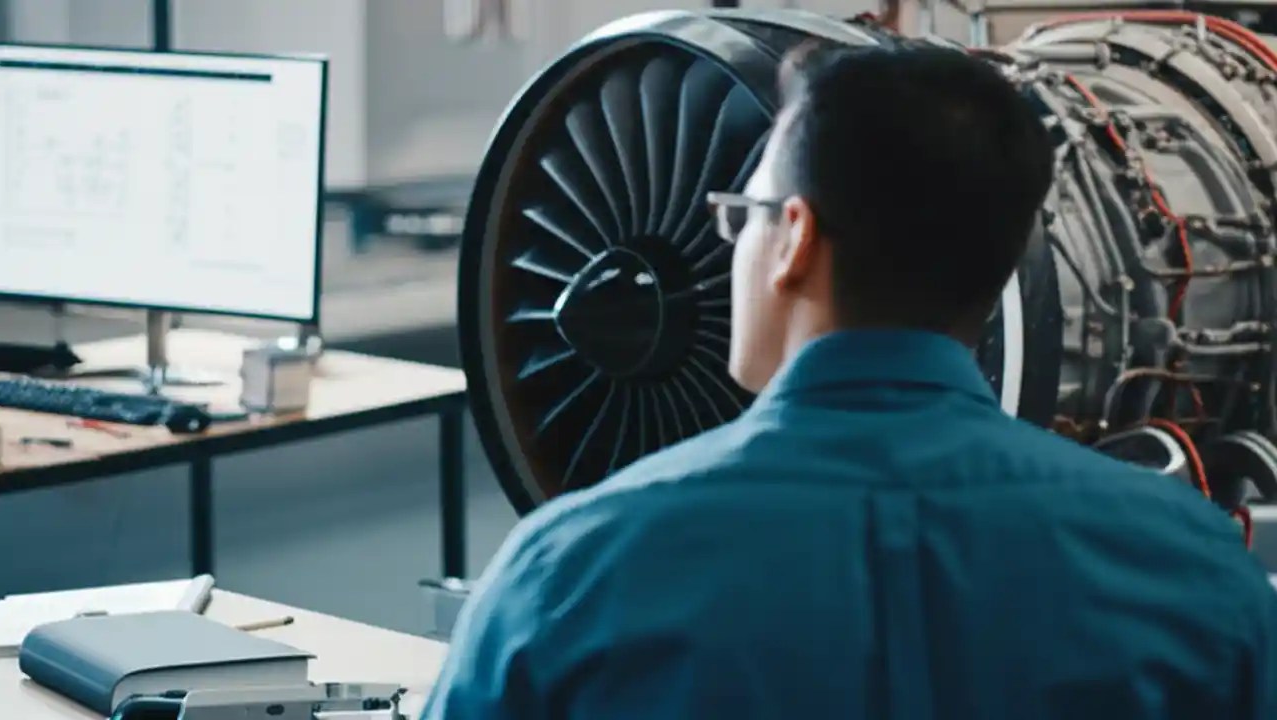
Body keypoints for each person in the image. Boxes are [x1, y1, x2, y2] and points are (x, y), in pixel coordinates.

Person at [423, 43, 1277, 718]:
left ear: (793, 237)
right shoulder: (1191, 569)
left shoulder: (572, 572)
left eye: (740, 216)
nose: (730, 248)